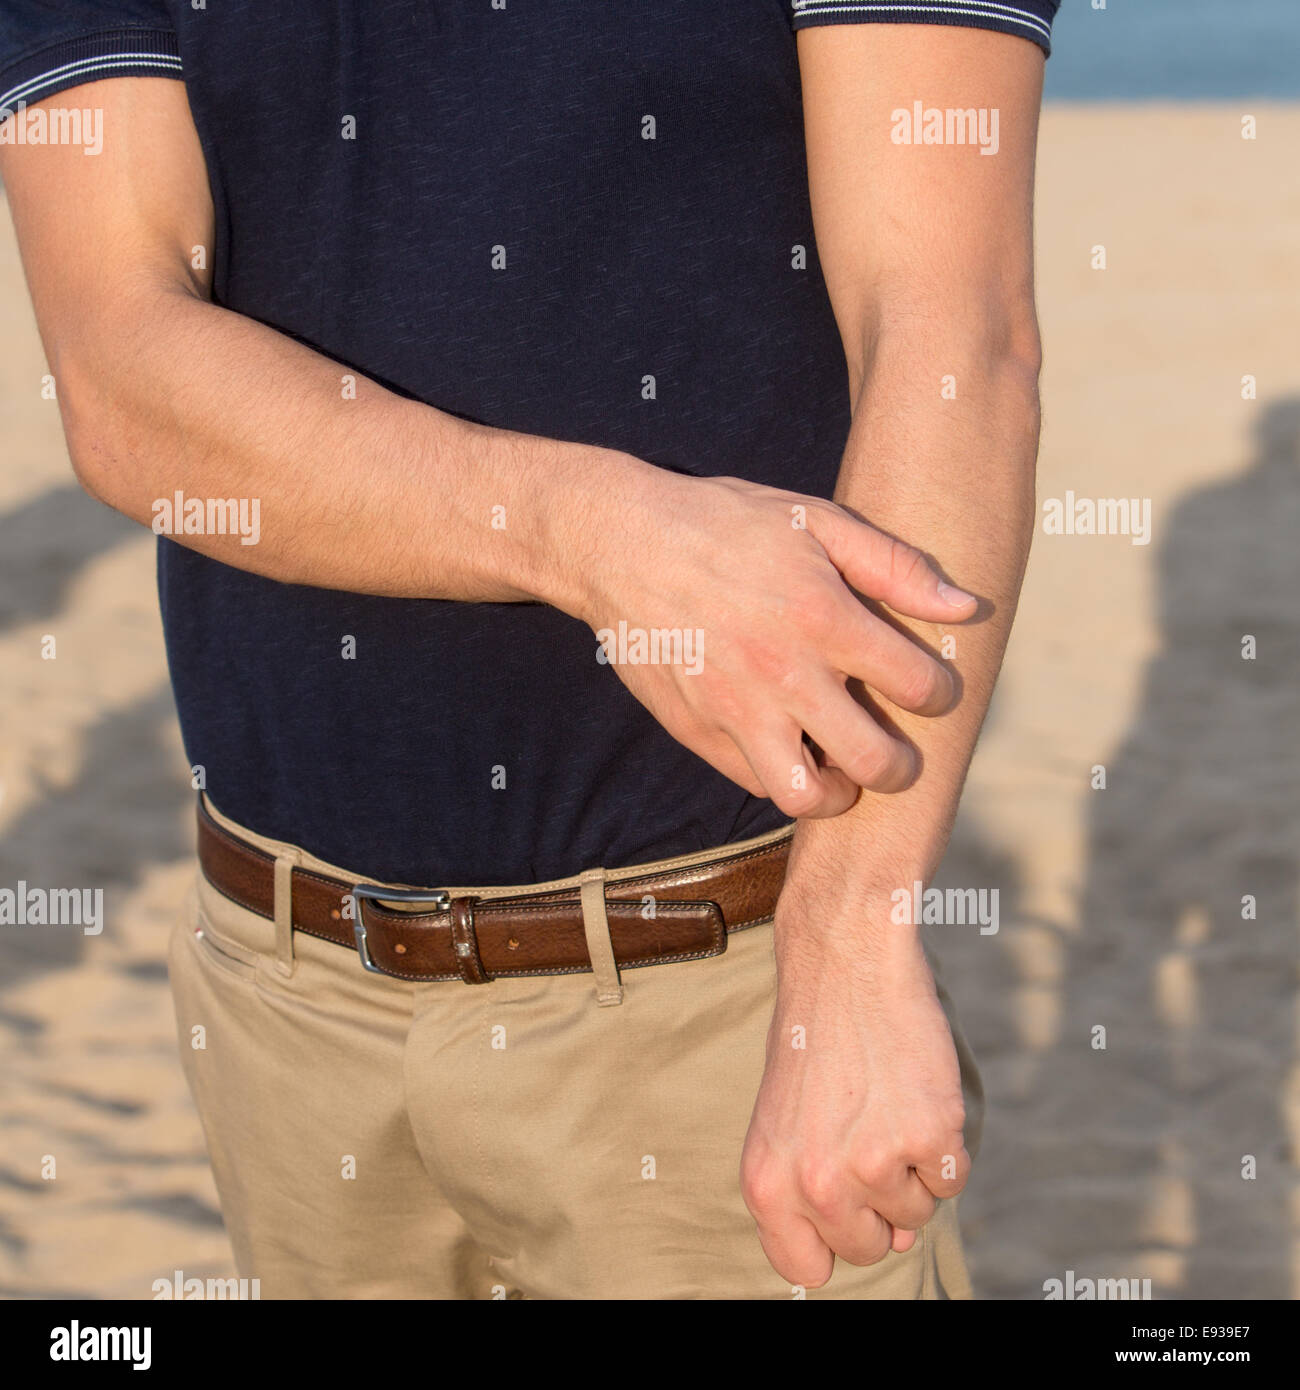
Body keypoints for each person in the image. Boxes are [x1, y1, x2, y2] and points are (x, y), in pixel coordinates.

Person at [0, 0, 1058, 1299]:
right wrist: (596, 535)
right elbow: (116, 370)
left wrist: (851, 943)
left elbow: (950, 330)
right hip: (281, 993)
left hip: (721, 982)